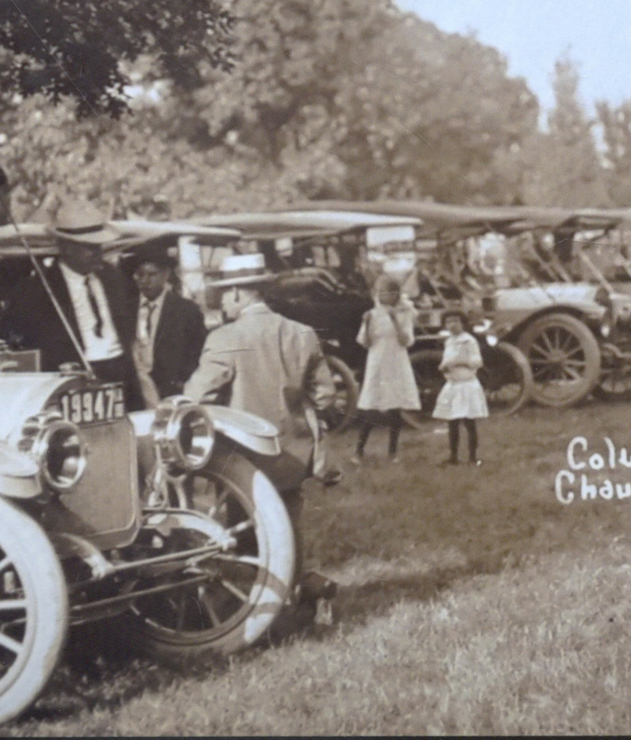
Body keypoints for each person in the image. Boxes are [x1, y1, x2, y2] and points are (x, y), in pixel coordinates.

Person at [182, 252, 341, 622]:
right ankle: (299, 590)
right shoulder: (301, 333)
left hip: (244, 457)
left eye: (224, 293)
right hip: (294, 451)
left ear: (239, 293)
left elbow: (197, 396)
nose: (221, 301)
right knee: (288, 519)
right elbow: (326, 395)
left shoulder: (226, 338)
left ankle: (261, 602)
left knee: (248, 528)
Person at [3, 202, 142, 409]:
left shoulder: (115, 279)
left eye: (99, 245)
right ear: (66, 247)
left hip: (121, 375)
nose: (98, 252)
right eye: (90, 246)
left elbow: (129, 329)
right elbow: (18, 339)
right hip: (76, 383)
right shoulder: (37, 290)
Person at [125, 248, 207, 407]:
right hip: (135, 392)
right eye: (140, 275)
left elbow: (198, 350)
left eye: (152, 274)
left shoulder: (186, 310)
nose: (145, 281)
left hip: (171, 392)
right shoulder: (125, 309)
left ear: (166, 274)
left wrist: (182, 381)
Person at [353, 277, 418, 463]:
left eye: (386, 293)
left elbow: (406, 341)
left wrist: (394, 319)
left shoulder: (405, 312)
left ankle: (393, 452)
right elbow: (365, 342)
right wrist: (365, 324)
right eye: (379, 292)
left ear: (395, 294)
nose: (381, 296)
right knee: (371, 407)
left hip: (396, 359)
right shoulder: (373, 314)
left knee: (394, 407)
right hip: (377, 360)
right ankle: (359, 451)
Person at [432, 310, 487, 466]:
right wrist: (444, 367)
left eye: (456, 321)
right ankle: (453, 456)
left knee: (469, 422)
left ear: (463, 323)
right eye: (449, 322)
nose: (453, 325)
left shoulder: (468, 341)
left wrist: (461, 362)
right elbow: (446, 360)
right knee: (452, 422)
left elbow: (477, 361)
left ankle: (473, 457)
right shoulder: (449, 341)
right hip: (453, 384)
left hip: (467, 384)